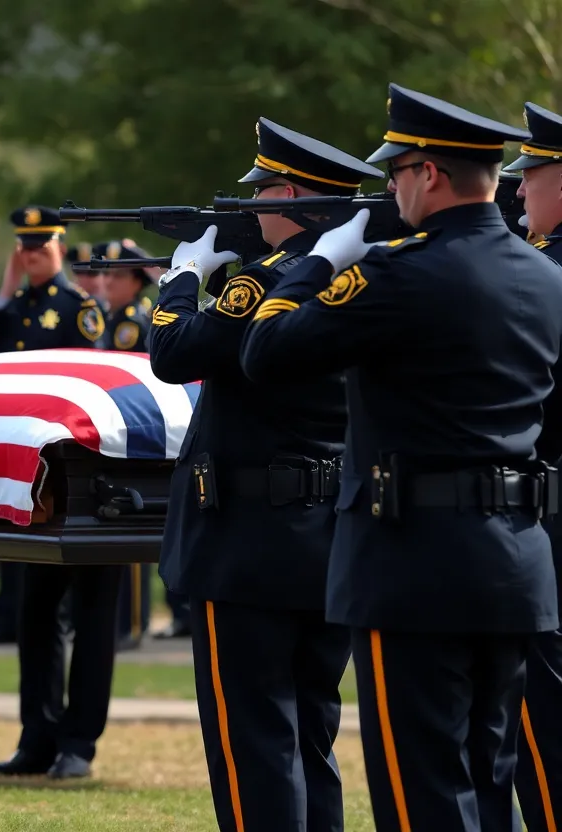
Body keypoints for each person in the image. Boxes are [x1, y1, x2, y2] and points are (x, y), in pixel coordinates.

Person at [240, 84, 561, 832]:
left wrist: (316, 264)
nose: (389, 185)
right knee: (492, 779)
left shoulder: (397, 275)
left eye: (397, 171)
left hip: (413, 565)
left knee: (423, 793)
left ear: (428, 175)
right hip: (516, 560)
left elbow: (264, 351)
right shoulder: (546, 278)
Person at [151, 119, 383, 831]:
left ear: (284, 194)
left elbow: (172, 351)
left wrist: (185, 274)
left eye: (261, 193)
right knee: (312, 729)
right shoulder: (364, 281)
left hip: (247, 545)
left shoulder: (267, 286)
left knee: (253, 739)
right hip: (330, 537)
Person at [0, 205, 112, 779]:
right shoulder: (13, 310)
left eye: (40, 246)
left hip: (83, 478)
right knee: (35, 613)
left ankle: (79, 743)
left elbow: (96, 389)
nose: (30, 255)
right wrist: (2, 293)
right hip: (35, 484)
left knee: (94, 615)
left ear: (58, 246)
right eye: (23, 247)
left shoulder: (81, 310)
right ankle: (38, 737)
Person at [504, 101, 562, 832]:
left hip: (545, 513)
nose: (520, 191)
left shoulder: (541, 275)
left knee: (541, 711)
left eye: (534, 175)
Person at [92, 239, 157, 651]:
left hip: (133, 431)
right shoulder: (109, 318)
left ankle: (131, 623)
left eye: (116, 275)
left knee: (131, 523)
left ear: (135, 282)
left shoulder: (136, 320)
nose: (107, 282)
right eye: (105, 274)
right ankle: (115, 621)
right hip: (112, 430)